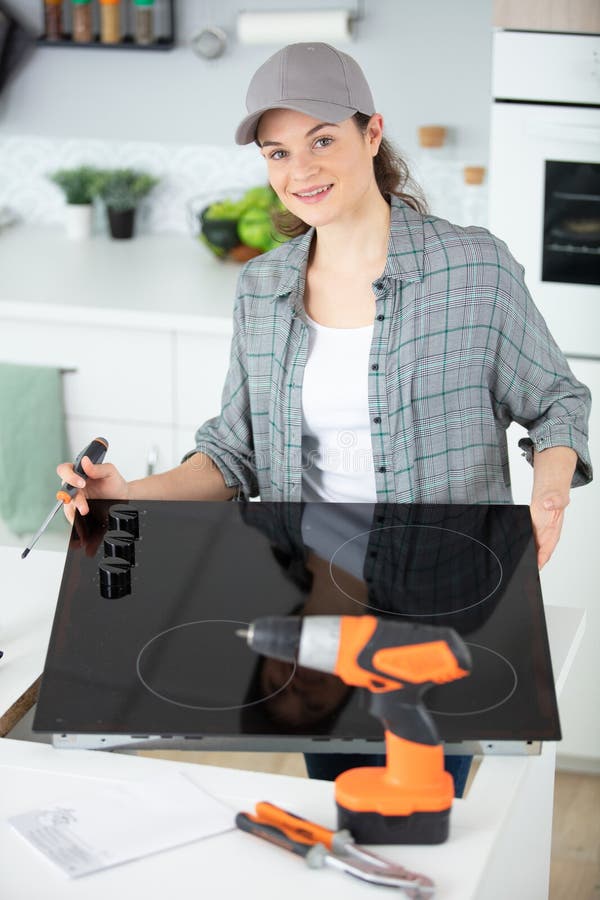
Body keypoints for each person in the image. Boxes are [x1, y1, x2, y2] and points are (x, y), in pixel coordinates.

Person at [58, 43, 592, 786]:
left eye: (321, 140)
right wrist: (126, 494)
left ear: (372, 133)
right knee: (341, 802)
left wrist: (552, 488)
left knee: (424, 814)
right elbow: (232, 455)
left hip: (440, 598)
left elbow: (557, 400)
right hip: (310, 602)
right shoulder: (263, 287)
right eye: (277, 152)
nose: (299, 172)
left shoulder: (474, 269)